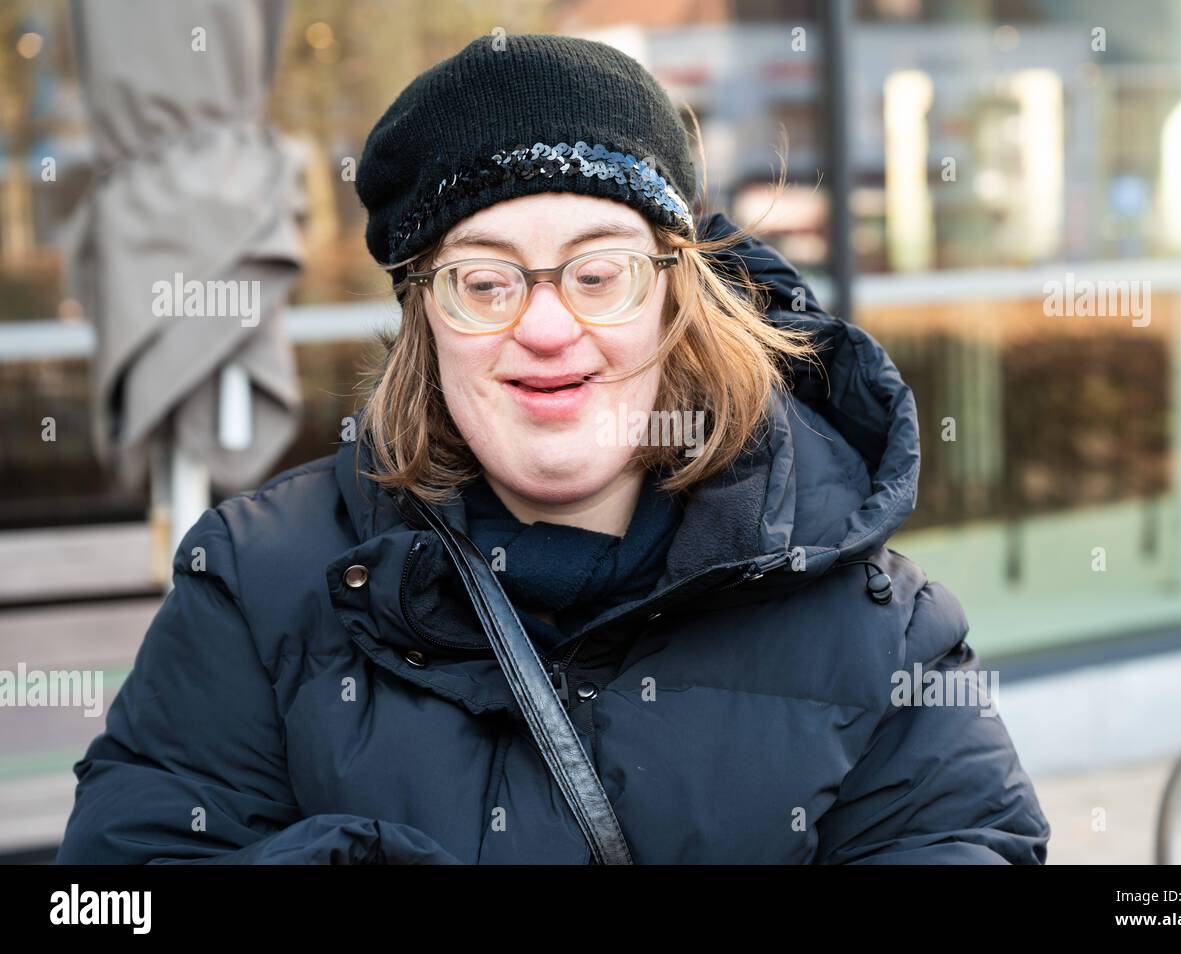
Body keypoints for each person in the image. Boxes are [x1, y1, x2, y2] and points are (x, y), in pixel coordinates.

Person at [55, 33, 1050, 864]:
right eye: (485, 282)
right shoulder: (255, 582)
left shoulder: (877, 626)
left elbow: (962, 842)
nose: (543, 327)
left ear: (672, 293)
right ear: (424, 319)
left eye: (597, 273)